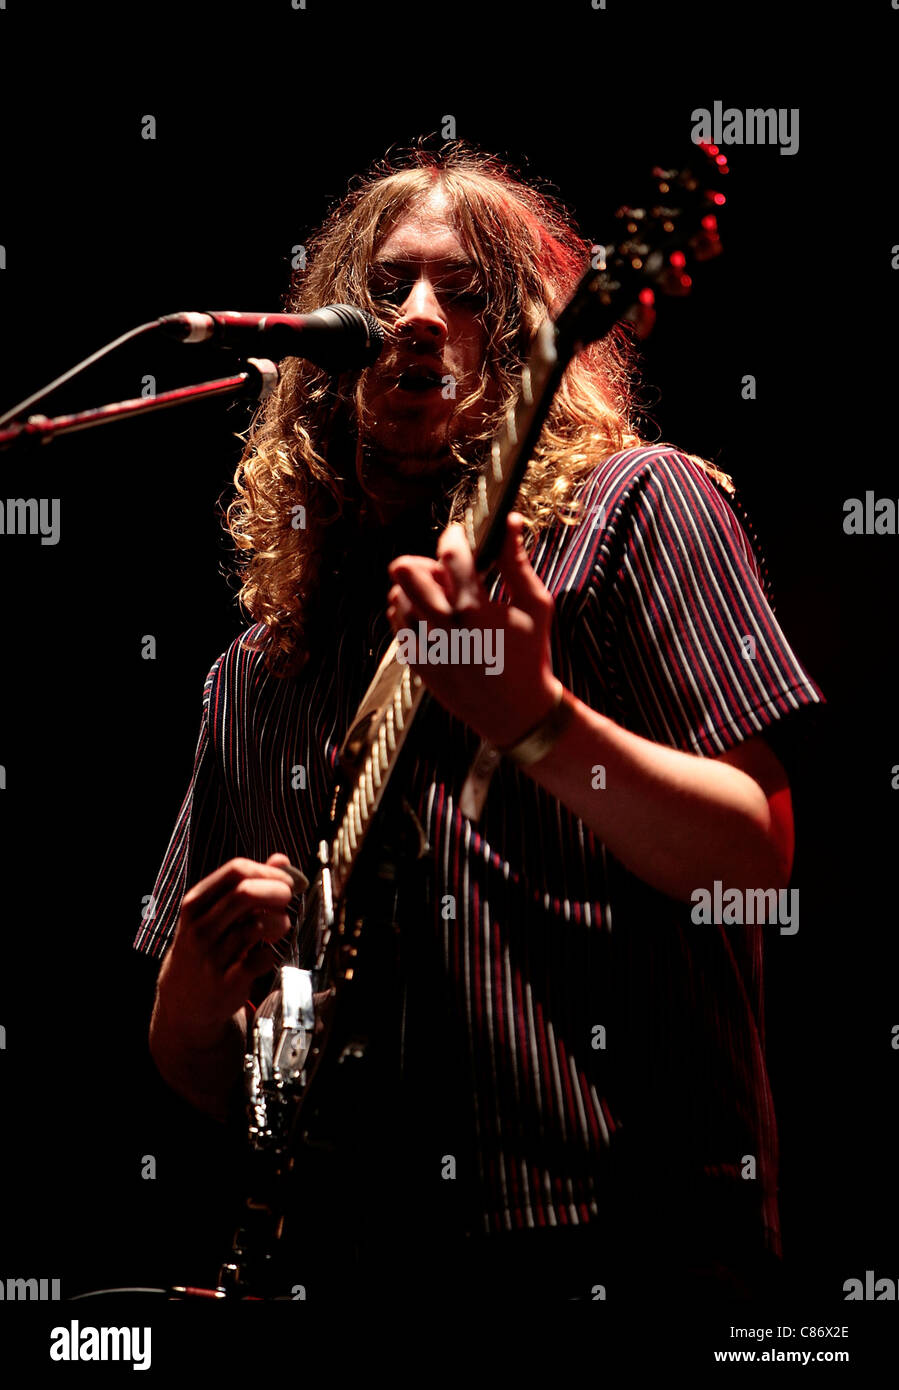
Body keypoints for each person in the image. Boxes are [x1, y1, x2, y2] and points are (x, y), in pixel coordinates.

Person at [134, 142, 824, 1303]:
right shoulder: (258, 671)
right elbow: (213, 1063)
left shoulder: (636, 511)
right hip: (353, 1267)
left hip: (621, 1242)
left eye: (465, 297)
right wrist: (193, 995)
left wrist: (541, 724)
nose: (414, 318)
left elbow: (749, 854)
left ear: (526, 344)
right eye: (387, 286)